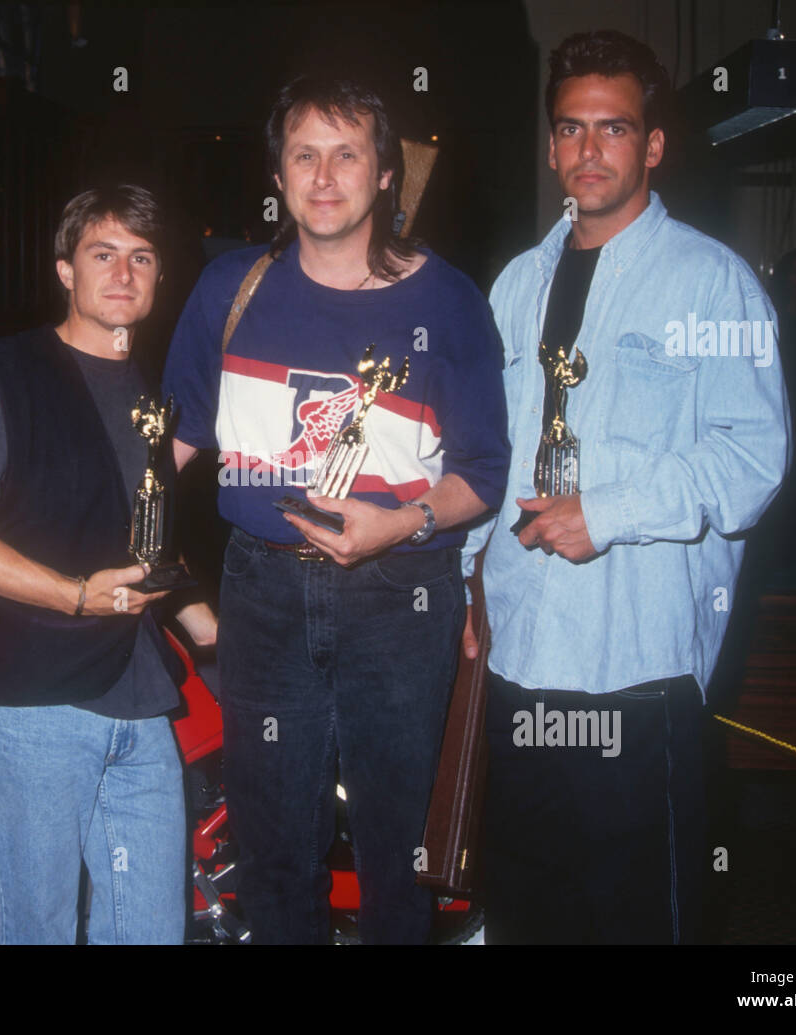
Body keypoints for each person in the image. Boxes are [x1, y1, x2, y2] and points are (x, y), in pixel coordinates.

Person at [163, 76, 510, 944]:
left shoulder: (449, 301)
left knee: (398, 857)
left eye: (346, 153)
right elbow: (172, 442)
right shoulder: (228, 289)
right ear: (277, 174)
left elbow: (483, 470)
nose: (324, 175)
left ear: (386, 172)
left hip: (402, 596)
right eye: (304, 154)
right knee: (274, 848)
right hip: (262, 591)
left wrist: (405, 523)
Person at [463, 30, 789, 944]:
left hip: (636, 672)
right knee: (527, 913)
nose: (588, 151)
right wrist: (461, 580)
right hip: (520, 657)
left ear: (652, 145)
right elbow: (486, 451)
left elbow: (753, 460)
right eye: (571, 129)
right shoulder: (515, 287)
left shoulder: (713, 285)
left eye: (614, 129)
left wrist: (608, 512)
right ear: (551, 143)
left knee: (638, 920)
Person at [0, 184, 216, 944]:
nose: (122, 272)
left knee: (150, 932)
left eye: (141, 257)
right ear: (64, 270)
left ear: (160, 278)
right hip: (30, 707)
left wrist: (213, 628)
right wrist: (73, 595)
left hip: (139, 703)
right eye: (101, 254)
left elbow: (140, 544)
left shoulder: (150, 396)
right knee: (39, 932)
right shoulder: (8, 372)